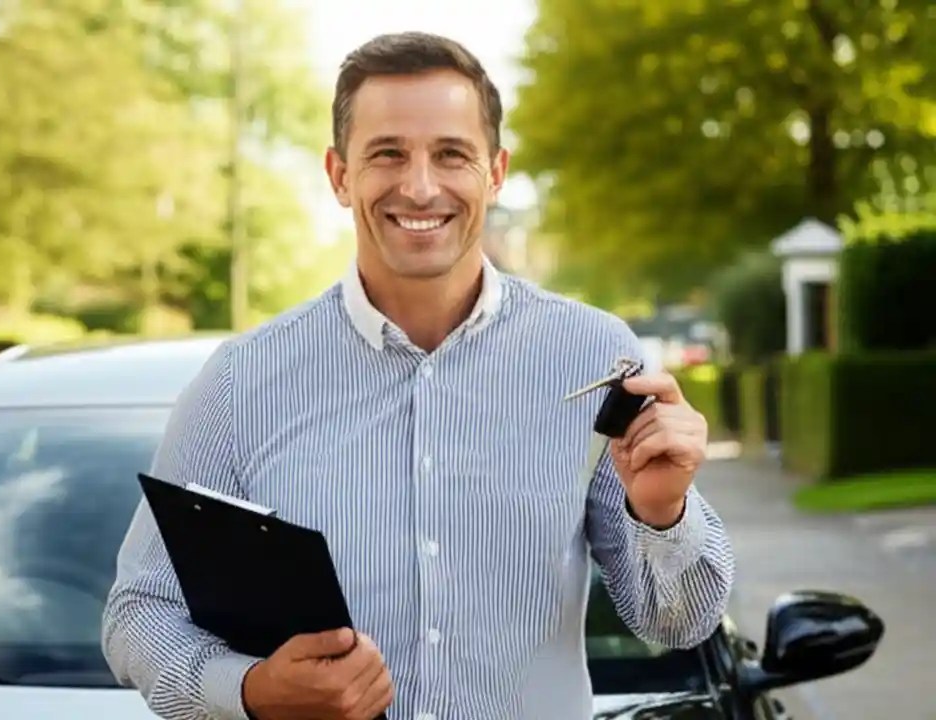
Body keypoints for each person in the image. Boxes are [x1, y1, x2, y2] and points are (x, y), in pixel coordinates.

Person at [102, 31, 735, 720]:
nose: (421, 186)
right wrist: (252, 692)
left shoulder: (594, 356)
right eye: (388, 154)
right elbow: (140, 611)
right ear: (340, 175)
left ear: (494, 172)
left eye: (451, 155)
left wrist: (664, 512)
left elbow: (680, 624)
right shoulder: (240, 382)